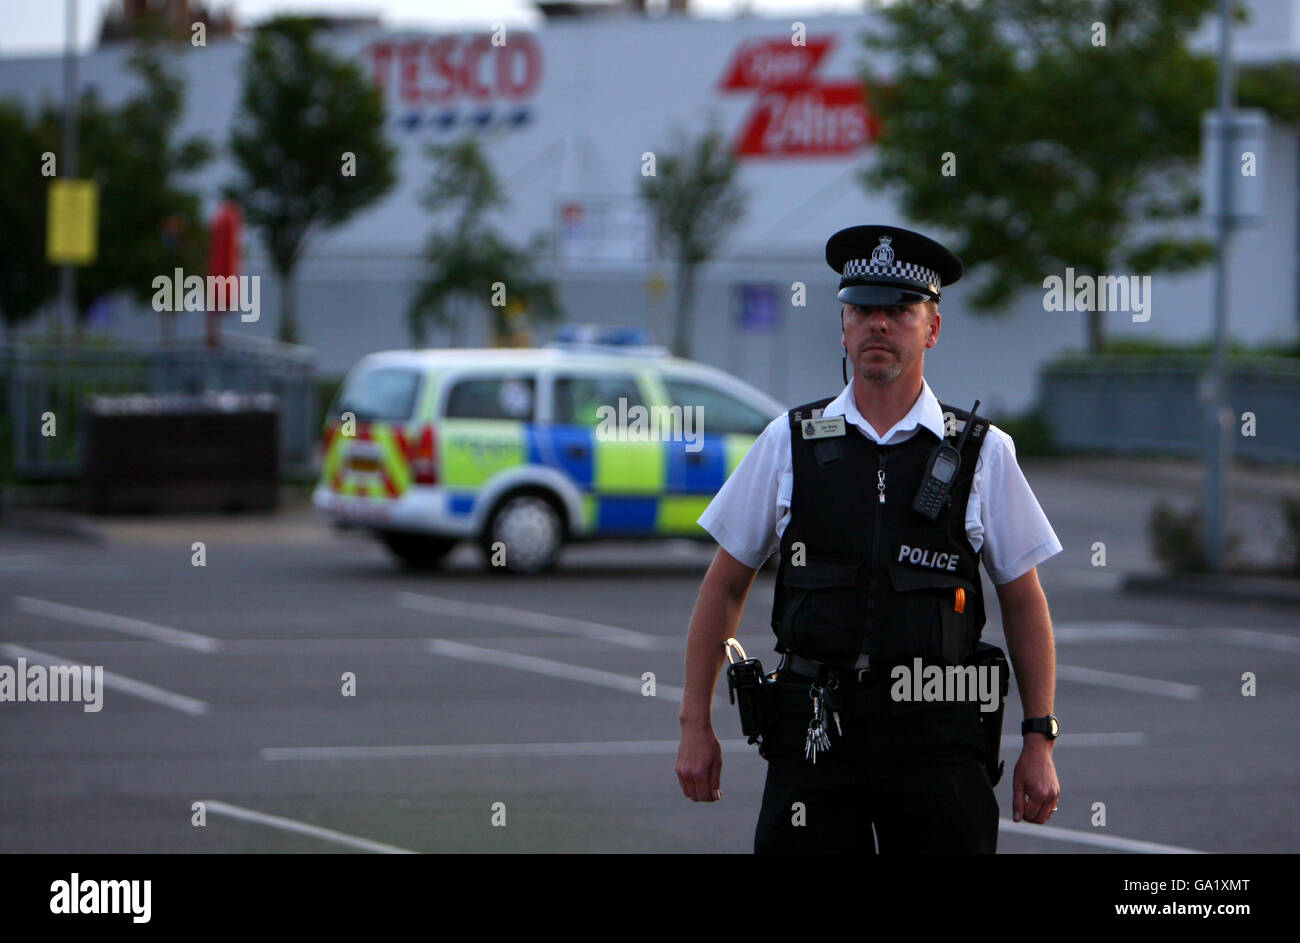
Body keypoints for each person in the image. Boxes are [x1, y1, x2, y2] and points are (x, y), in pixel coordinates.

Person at [674, 224, 1063, 853]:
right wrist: (696, 721)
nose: (877, 325)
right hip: (815, 741)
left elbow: (1023, 600)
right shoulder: (790, 441)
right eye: (861, 310)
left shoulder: (984, 453)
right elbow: (724, 585)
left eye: (899, 311)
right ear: (844, 325)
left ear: (932, 328)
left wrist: (1039, 738)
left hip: (938, 742)